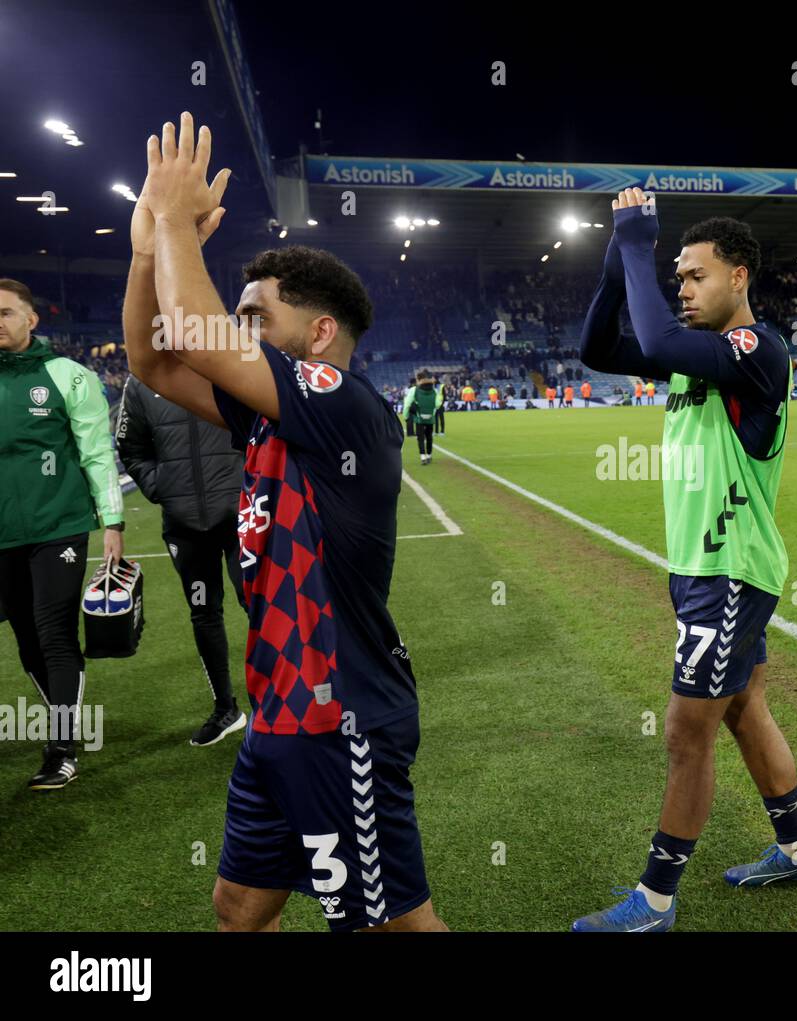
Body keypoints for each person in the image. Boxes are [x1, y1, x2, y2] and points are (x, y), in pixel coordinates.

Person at [122, 112, 444, 932]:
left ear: (320, 332)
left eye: (255, 316)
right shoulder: (270, 416)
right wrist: (143, 252)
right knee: (237, 908)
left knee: (385, 925)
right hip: (278, 713)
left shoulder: (342, 403)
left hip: (341, 719)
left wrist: (170, 224)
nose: (238, 330)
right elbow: (157, 358)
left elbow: (191, 334)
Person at [575, 193, 797, 932]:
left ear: (739, 277)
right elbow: (598, 347)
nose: (681, 288)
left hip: (731, 572)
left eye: (695, 275)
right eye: (676, 277)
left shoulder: (755, 352)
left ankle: (653, 901)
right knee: (745, 710)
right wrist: (623, 259)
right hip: (701, 570)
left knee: (687, 731)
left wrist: (638, 246)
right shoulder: (693, 363)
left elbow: (654, 338)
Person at [0, 278, 125, 789]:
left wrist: (111, 521)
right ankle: (66, 719)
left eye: (6, 313)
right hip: (4, 533)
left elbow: (97, 453)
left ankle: (62, 749)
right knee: (27, 640)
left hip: (59, 526)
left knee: (53, 634)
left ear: (32, 320)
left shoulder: (69, 375)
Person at [116, 372, 248, 745]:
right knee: (204, 612)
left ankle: (278, 704)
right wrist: (162, 488)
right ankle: (226, 709)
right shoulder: (141, 382)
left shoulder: (230, 365)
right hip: (185, 525)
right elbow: (130, 447)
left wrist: (254, 483)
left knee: (259, 605)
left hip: (242, 515)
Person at [403, 368, 438, 465]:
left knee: (420, 437)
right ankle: (429, 455)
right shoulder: (434, 390)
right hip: (430, 417)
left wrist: (406, 416)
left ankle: (423, 456)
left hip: (419, 417)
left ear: (418, 379)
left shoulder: (414, 390)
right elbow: (438, 404)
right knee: (429, 436)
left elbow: (407, 405)